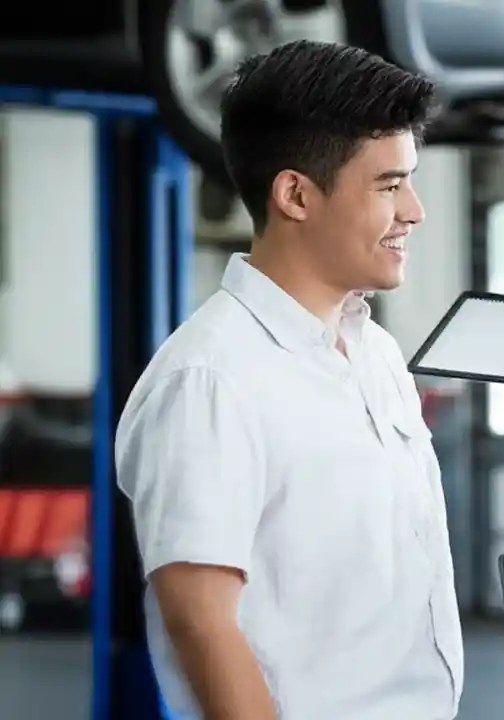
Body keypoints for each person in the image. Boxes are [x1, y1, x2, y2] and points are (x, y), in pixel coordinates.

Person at [114, 40, 462, 719]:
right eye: (389, 185)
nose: (414, 210)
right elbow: (201, 622)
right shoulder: (210, 380)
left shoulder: (378, 355)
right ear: (295, 195)